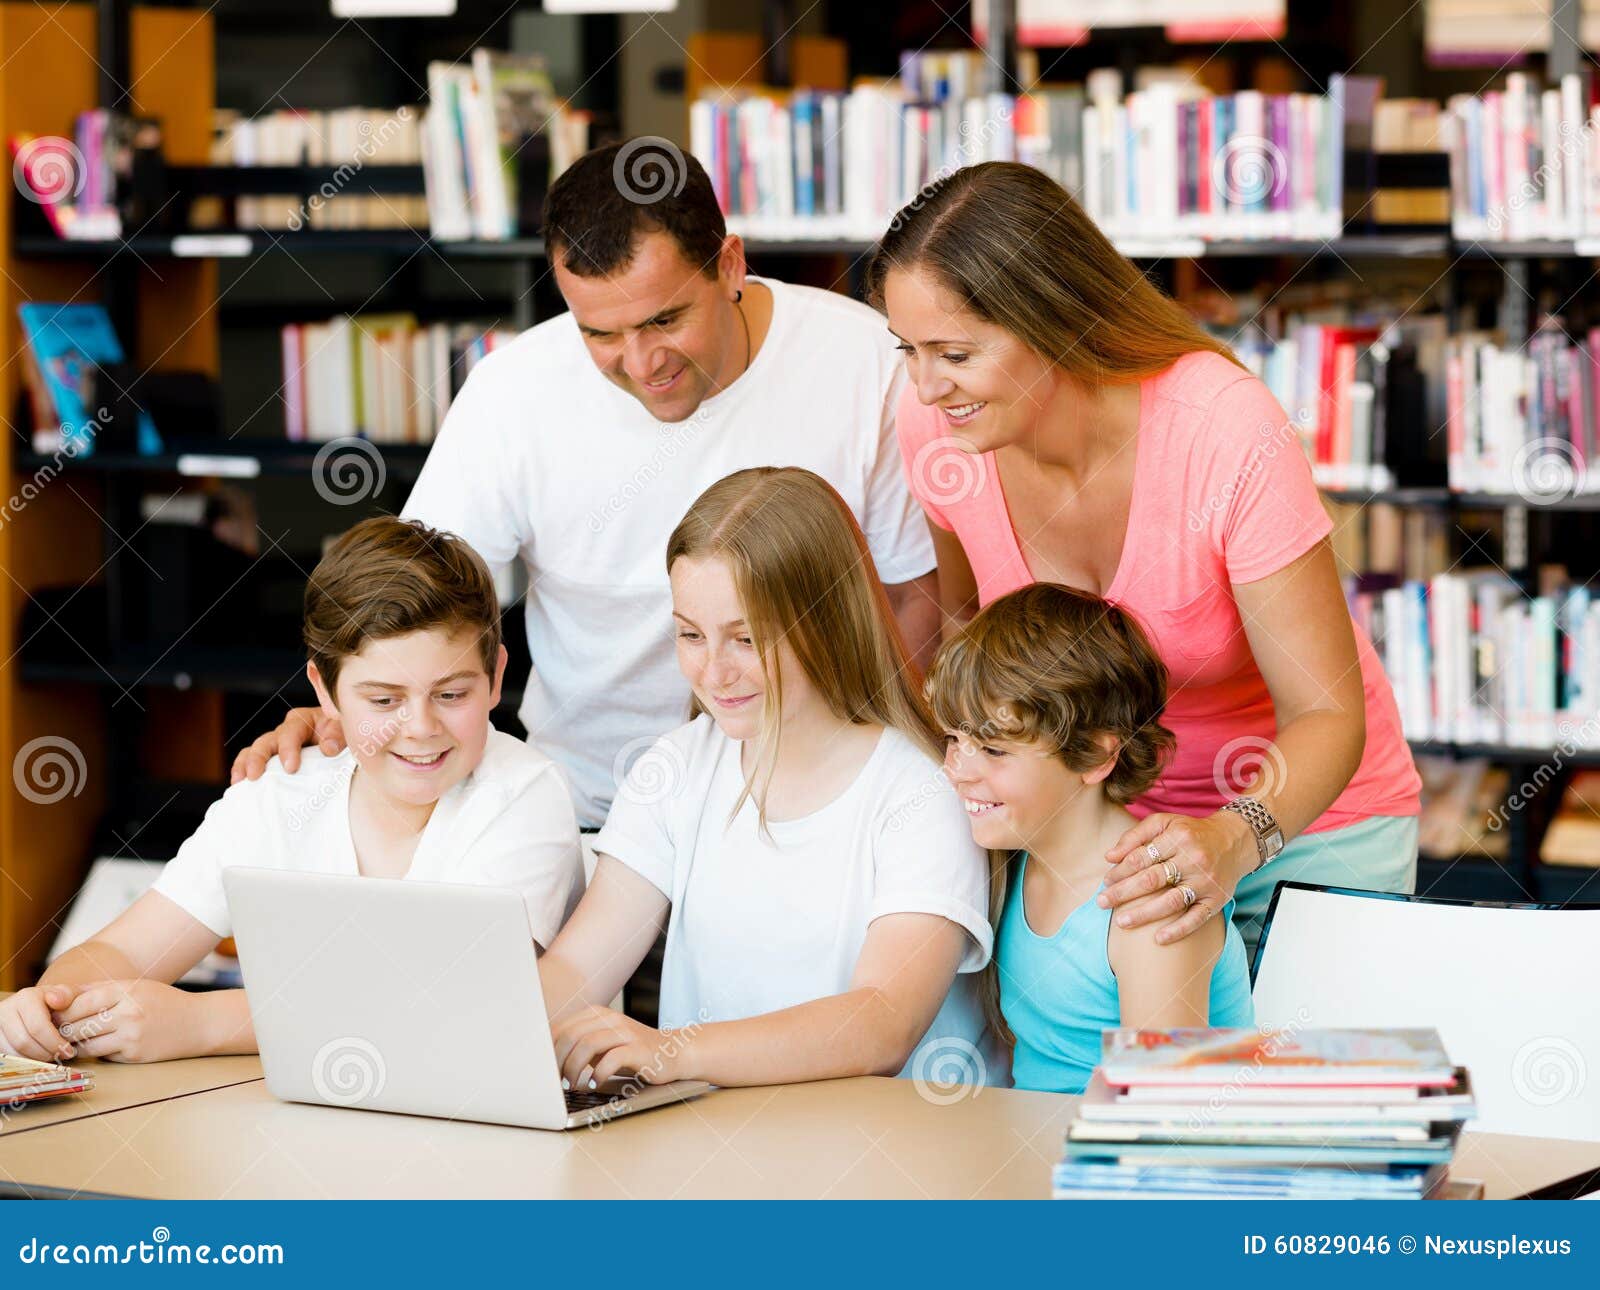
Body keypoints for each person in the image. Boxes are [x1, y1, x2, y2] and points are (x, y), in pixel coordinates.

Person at [231, 140, 938, 832]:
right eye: (601, 332)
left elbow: (912, 597)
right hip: (582, 810)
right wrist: (338, 713)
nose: (642, 362)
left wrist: (861, 777)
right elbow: (413, 600)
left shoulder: (862, 360)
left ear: (730, 265)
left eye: (666, 319)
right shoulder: (514, 390)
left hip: (803, 808)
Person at [870, 161, 1421, 957]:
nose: (924, 386)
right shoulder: (941, 434)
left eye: (953, 353)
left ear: (1051, 320)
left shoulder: (1221, 430)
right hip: (1096, 839)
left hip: (1304, 827)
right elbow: (969, 636)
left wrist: (1230, 843)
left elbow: (1328, 716)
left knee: (1287, 1078)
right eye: (907, 350)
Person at [0, 518, 582, 1064]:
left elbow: (452, 1006)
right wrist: (54, 1005)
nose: (421, 727)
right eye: (383, 700)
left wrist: (205, 1022)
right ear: (323, 691)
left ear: (496, 677)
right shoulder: (282, 792)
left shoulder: (524, 796)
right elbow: (124, 951)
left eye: (451, 694)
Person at [536, 467, 997, 1090]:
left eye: (746, 639)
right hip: (720, 1153)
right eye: (690, 635)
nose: (713, 671)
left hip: (888, 1162)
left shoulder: (919, 792)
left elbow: (882, 1022)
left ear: (826, 624)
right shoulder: (676, 767)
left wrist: (675, 1052)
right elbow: (575, 969)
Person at [929, 583, 1254, 1094]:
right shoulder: (1012, 859)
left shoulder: (1150, 900)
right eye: (954, 739)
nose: (957, 770)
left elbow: (1162, 1113)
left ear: (1096, 756)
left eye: (993, 750)